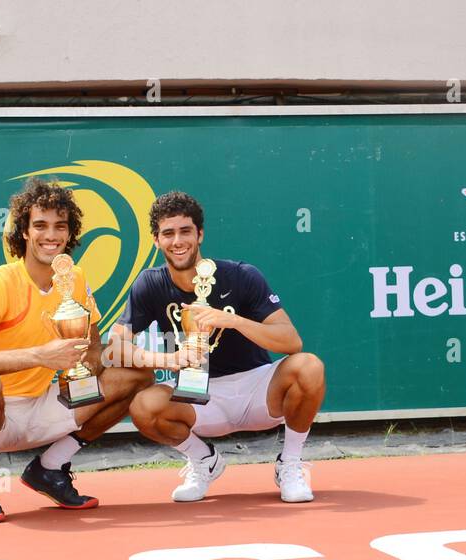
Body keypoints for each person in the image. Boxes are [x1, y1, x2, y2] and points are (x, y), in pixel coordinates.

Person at [0, 178, 152, 522]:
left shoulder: (76, 278)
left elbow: (93, 348)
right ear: (24, 232)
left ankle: (49, 468)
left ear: (70, 233)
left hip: (41, 407)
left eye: (60, 226)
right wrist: (42, 355)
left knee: (134, 376)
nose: (51, 235)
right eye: (40, 225)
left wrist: (165, 359)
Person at [106, 191, 327, 503]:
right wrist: (169, 360)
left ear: (200, 234)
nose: (177, 241)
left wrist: (233, 321)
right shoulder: (150, 283)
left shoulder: (241, 275)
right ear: (156, 240)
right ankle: (204, 461)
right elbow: (114, 348)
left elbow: (292, 341)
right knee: (144, 405)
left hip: (256, 388)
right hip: (198, 395)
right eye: (168, 233)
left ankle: (290, 464)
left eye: (185, 231)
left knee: (309, 366)